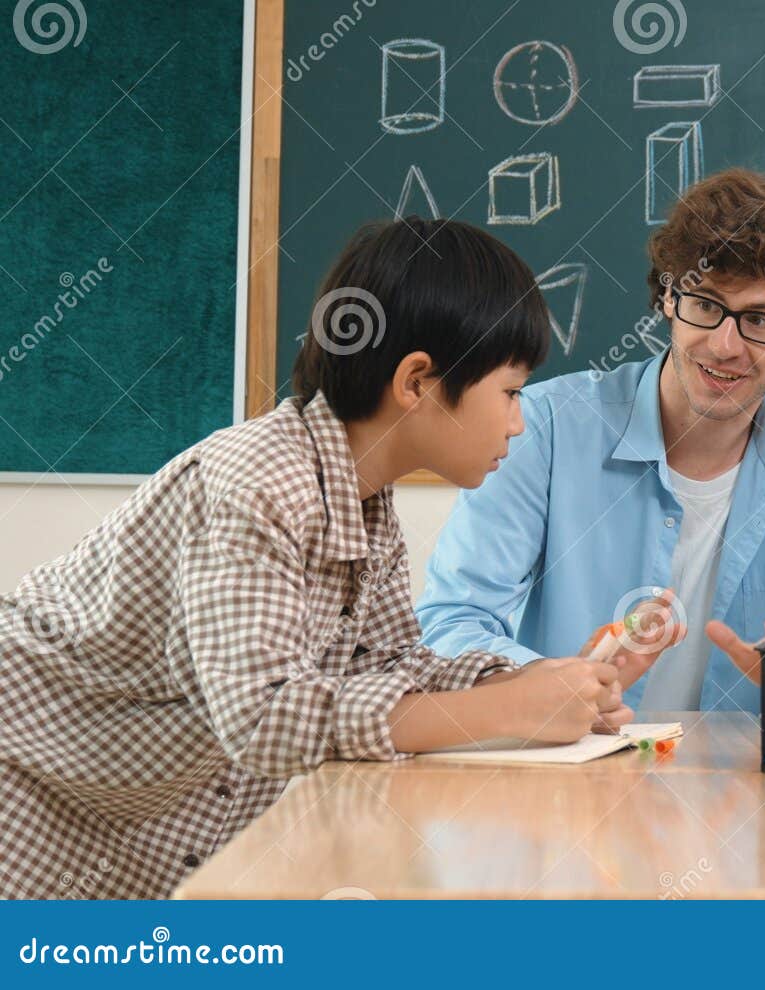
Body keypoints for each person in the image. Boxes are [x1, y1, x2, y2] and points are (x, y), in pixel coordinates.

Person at [0, 218, 632, 899]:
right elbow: (266, 717)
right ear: (417, 380)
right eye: (510, 392)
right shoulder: (258, 479)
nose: (518, 421)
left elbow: (395, 667)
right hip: (32, 793)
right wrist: (509, 713)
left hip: (135, 811)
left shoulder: (365, 499)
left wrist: (539, 683)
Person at [418, 168, 765, 712]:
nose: (723, 345)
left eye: (760, 321)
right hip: (572, 776)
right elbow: (449, 624)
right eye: (706, 304)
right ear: (669, 297)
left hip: (740, 789)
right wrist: (562, 683)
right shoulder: (545, 426)